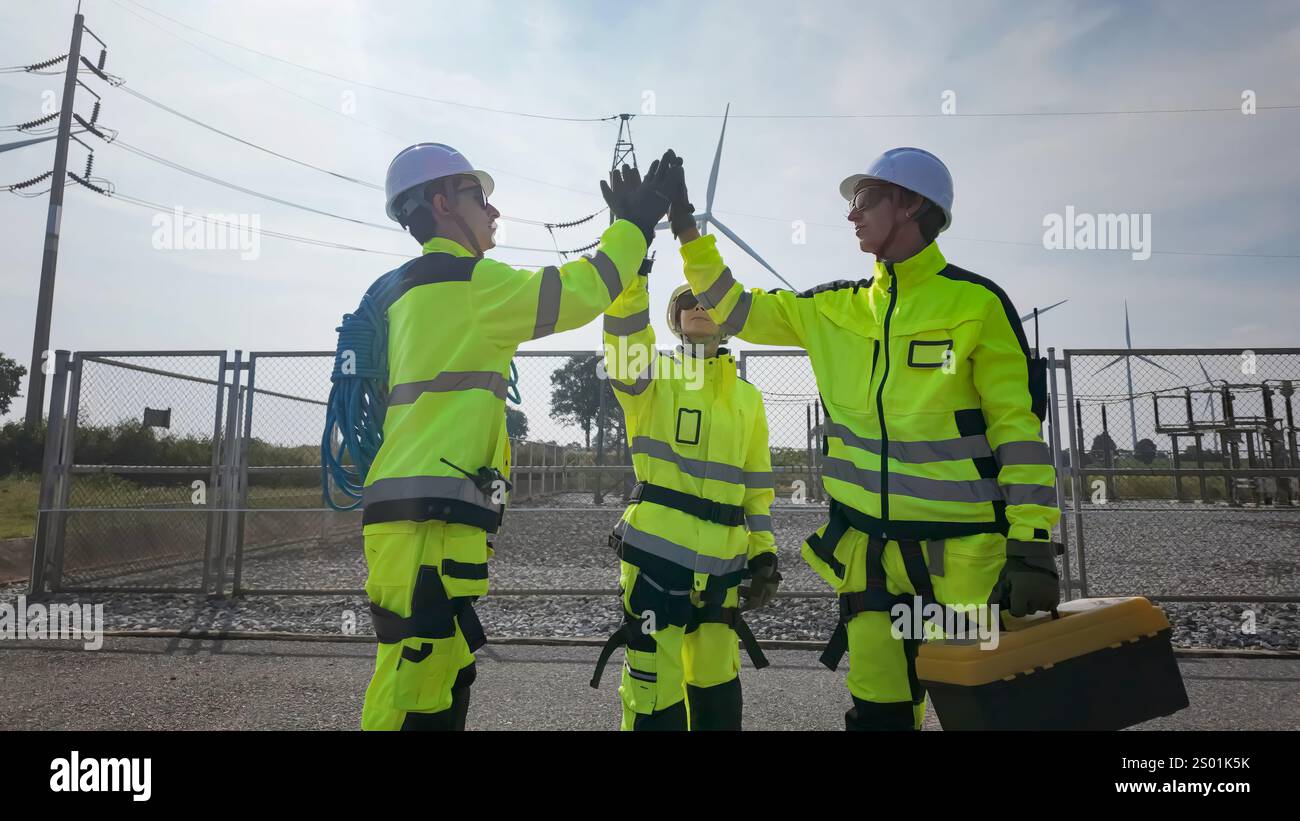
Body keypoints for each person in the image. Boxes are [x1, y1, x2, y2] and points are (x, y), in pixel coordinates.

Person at [669, 147, 1061, 730]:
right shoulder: (831, 308)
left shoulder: (977, 305)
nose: (851, 215)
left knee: (979, 714)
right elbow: (733, 306)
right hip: (870, 560)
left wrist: (1032, 541)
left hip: (964, 560)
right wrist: (685, 227)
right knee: (880, 716)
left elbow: (1018, 432)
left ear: (910, 204)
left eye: (863, 200)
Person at [358, 143, 673, 730]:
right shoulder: (470, 282)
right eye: (482, 197)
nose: (494, 211)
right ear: (442, 201)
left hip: (418, 516)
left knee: (429, 673)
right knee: (416, 690)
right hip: (427, 519)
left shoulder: (402, 289)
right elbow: (584, 289)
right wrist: (632, 228)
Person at [589, 153, 780, 730]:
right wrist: (637, 258)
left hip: (723, 569)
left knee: (718, 694)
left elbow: (757, 485)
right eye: (687, 302)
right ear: (673, 321)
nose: (699, 305)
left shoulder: (748, 399)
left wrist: (765, 551)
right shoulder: (651, 377)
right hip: (656, 564)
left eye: (706, 300)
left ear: (726, 317)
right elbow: (624, 338)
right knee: (654, 695)